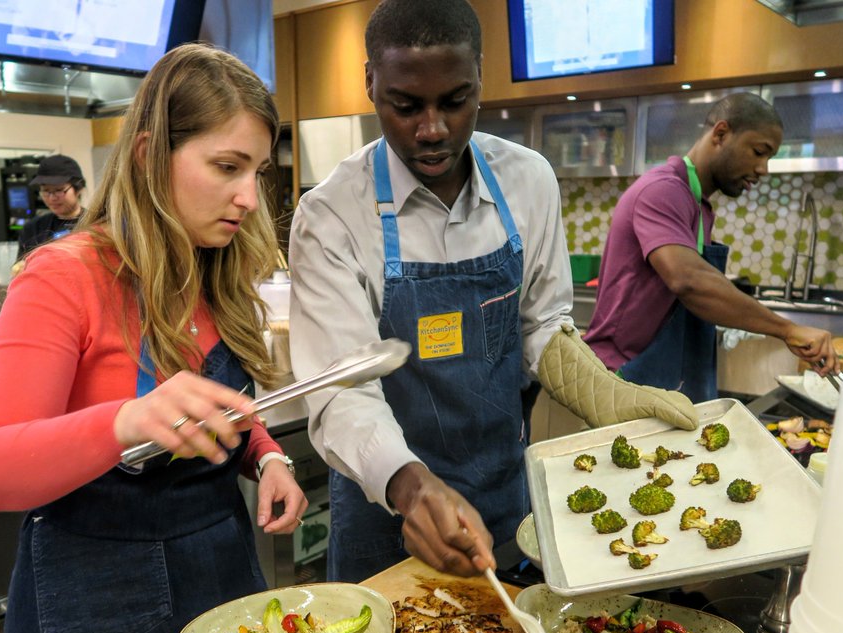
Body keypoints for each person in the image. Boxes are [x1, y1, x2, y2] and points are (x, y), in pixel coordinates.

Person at [0, 44, 307, 633]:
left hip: (220, 575)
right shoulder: (64, 277)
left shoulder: (214, 270)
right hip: (97, 610)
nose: (248, 197)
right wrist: (123, 420)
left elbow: (223, 406)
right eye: (226, 167)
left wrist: (267, 457)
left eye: (258, 174)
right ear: (149, 155)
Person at [287, 0, 697, 585]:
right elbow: (342, 391)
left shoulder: (527, 179)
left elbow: (542, 322)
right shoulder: (331, 215)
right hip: (388, 514)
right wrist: (411, 487)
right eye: (405, 106)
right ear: (371, 83)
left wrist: (605, 394)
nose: (433, 129)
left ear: (480, 79)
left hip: (504, 495)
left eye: (456, 101)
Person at [584, 93, 838, 402]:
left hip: (665, 382)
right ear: (720, 133)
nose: (763, 169)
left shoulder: (697, 204)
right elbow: (690, 281)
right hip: (625, 379)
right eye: (759, 152)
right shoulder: (662, 190)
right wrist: (786, 329)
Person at [15, 154, 87, 259]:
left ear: (79, 189)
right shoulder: (33, 229)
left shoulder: (93, 224)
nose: (52, 198)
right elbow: (21, 268)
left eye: (59, 190)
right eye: (46, 191)